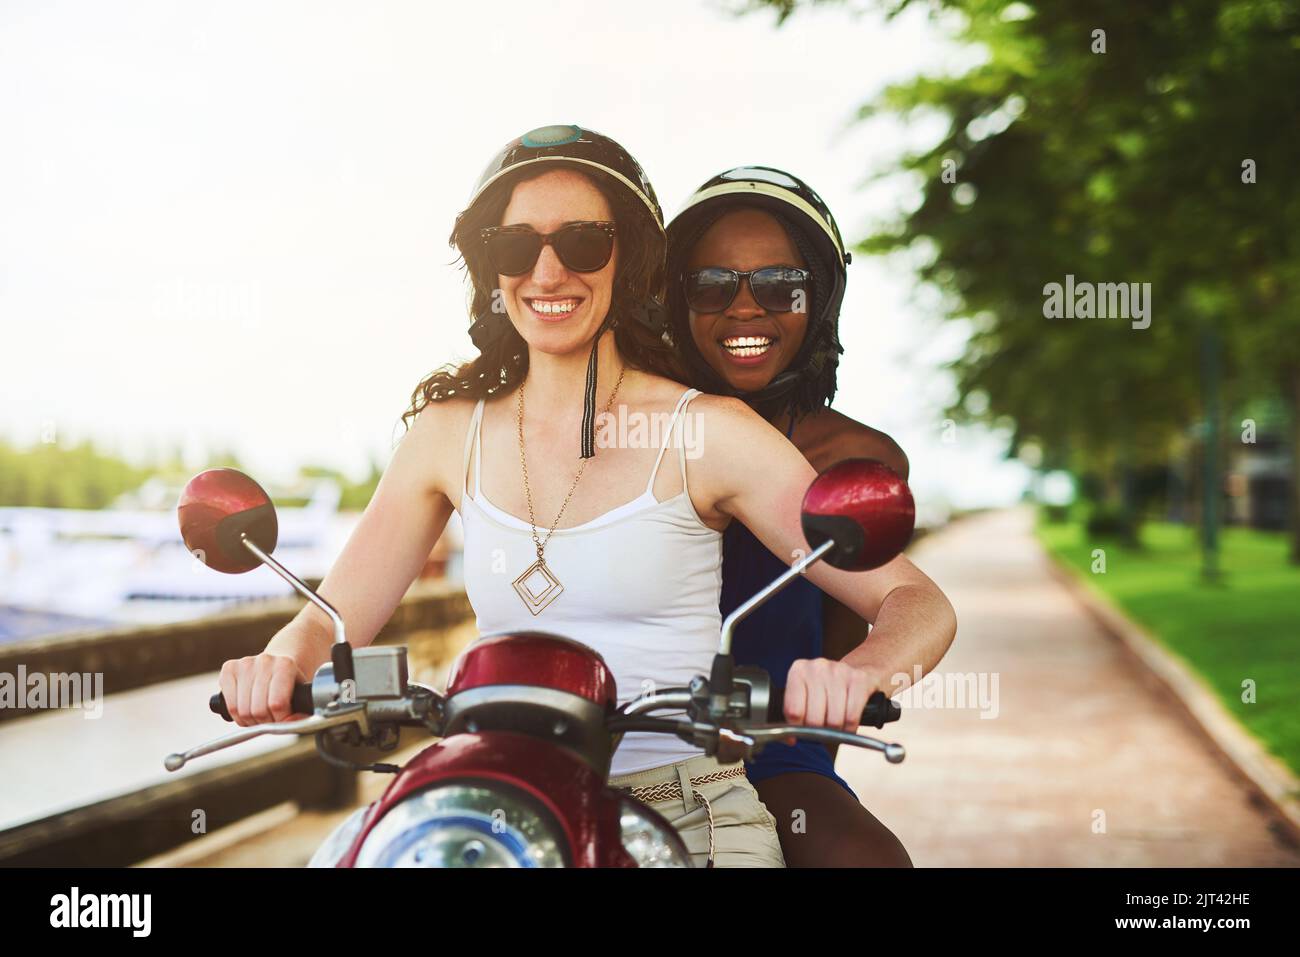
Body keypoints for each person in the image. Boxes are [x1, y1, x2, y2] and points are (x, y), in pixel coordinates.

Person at [217, 127, 957, 868]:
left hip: (686, 807)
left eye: (582, 242)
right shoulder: (447, 436)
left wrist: (859, 673)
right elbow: (330, 619)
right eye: (514, 246)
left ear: (629, 259)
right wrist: (279, 661)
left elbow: (918, 604)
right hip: (492, 802)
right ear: (491, 270)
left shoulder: (708, 432)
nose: (546, 271)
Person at [666, 166, 916, 866]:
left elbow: (844, 634)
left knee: (866, 858)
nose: (745, 307)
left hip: (771, 746)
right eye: (711, 285)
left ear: (820, 303)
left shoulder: (857, 459)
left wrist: (844, 688)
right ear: (673, 302)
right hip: (619, 737)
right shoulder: (638, 430)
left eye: (780, 285)